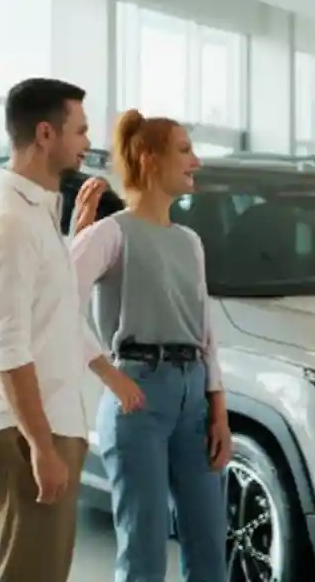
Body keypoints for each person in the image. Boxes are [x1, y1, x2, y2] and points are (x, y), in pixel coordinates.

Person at [0, 78, 146, 582]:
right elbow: (8, 350)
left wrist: (72, 239)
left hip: (49, 423)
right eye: (80, 129)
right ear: (46, 133)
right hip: (25, 432)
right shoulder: (9, 224)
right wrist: (41, 447)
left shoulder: (35, 215)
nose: (88, 142)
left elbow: (51, 313)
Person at [69, 109, 232, 582]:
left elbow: (205, 332)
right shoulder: (111, 232)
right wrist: (109, 374)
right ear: (149, 158)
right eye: (184, 150)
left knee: (209, 548)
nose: (196, 161)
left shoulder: (190, 241)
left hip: (194, 401)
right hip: (137, 397)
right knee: (144, 552)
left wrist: (217, 408)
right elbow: (55, 303)